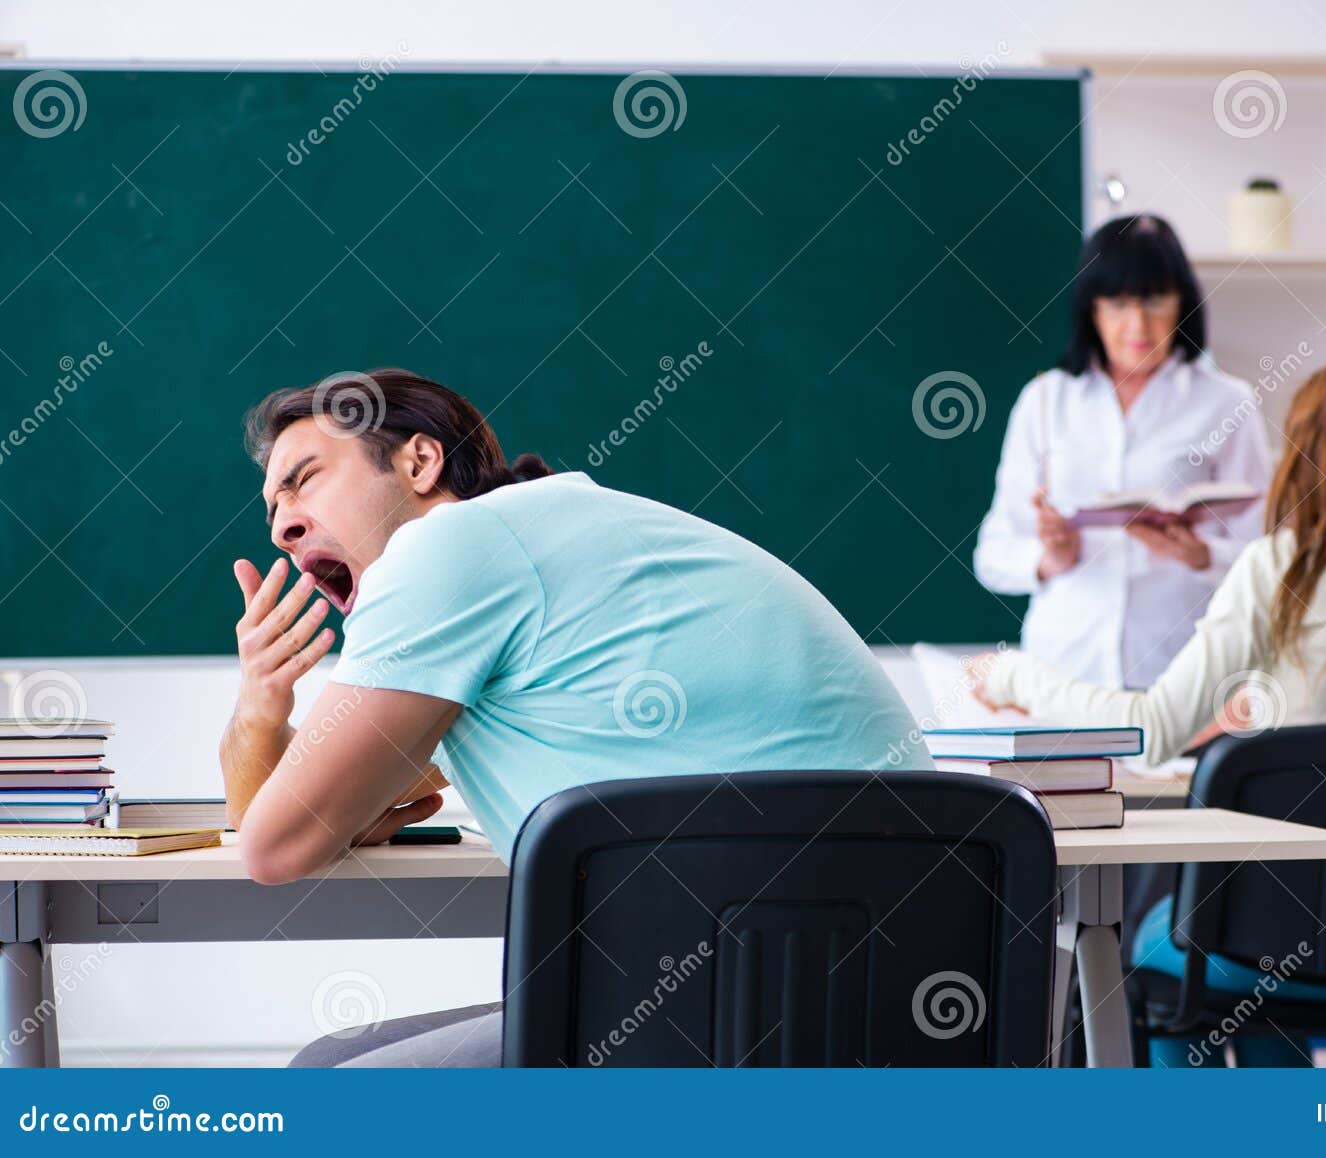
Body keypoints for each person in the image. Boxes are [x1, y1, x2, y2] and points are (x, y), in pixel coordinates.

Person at [217, 367, 932, 1067]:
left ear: (419, 461)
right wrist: (283, 737)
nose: (282, 525)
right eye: (270, 508)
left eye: (302, 479)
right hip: (880, 966)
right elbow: (290, 823)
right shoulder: (550, 542)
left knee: (333, 1093)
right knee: (329, 1062)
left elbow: (275, 846)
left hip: (743, 992)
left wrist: (260, 708)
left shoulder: (448, 549)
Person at [974, 355, 1326, 1067]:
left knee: (1157, 949)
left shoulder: (1278, 567)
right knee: (1250, 950)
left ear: (1309, 458)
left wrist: (1017, 675)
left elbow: (1150, 730)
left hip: (1280, 941)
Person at [973, 214, 1273, 691]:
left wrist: (1200, 555)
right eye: (1117, 303)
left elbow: (1268, 561)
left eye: (1155, 301)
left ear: (1182, 304)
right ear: (1091, 308)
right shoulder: (1046, 400)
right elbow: (992, 555)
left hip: (1182, 676)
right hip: (1064, 672)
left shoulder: (1228, 403)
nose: (1139, 324)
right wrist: (1050, 558)